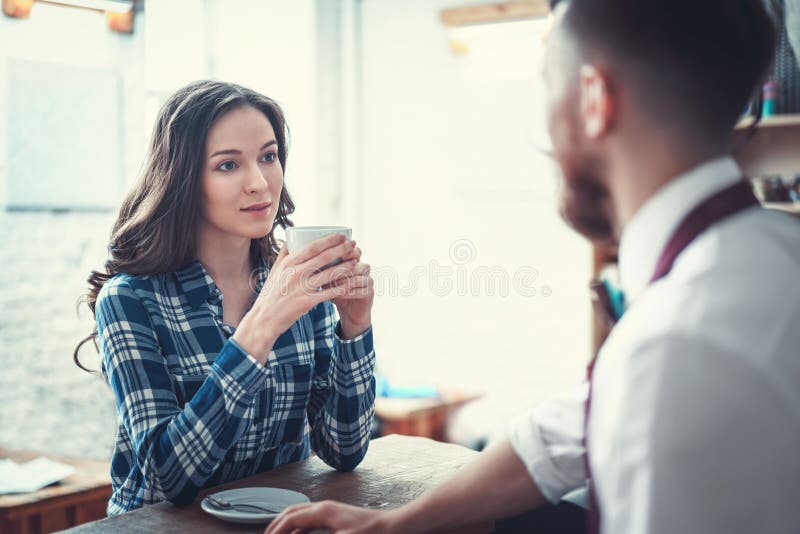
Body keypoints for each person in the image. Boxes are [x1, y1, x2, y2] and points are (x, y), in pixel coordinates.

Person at [265, 0, 800, 533]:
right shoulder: (772, 250)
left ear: (593, 100)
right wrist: (393, 524)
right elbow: (567, 432)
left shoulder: (673, 348)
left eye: (548, 86)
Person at [73, 80, 377, 515]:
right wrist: (261, 326)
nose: (258, 183)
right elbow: (168, 477)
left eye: (268, 157)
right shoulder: (130, 302)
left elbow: (344, 450)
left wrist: (355, 326)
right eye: (228, 165)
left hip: (277, 523)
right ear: (183, 179)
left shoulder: (299, 287)